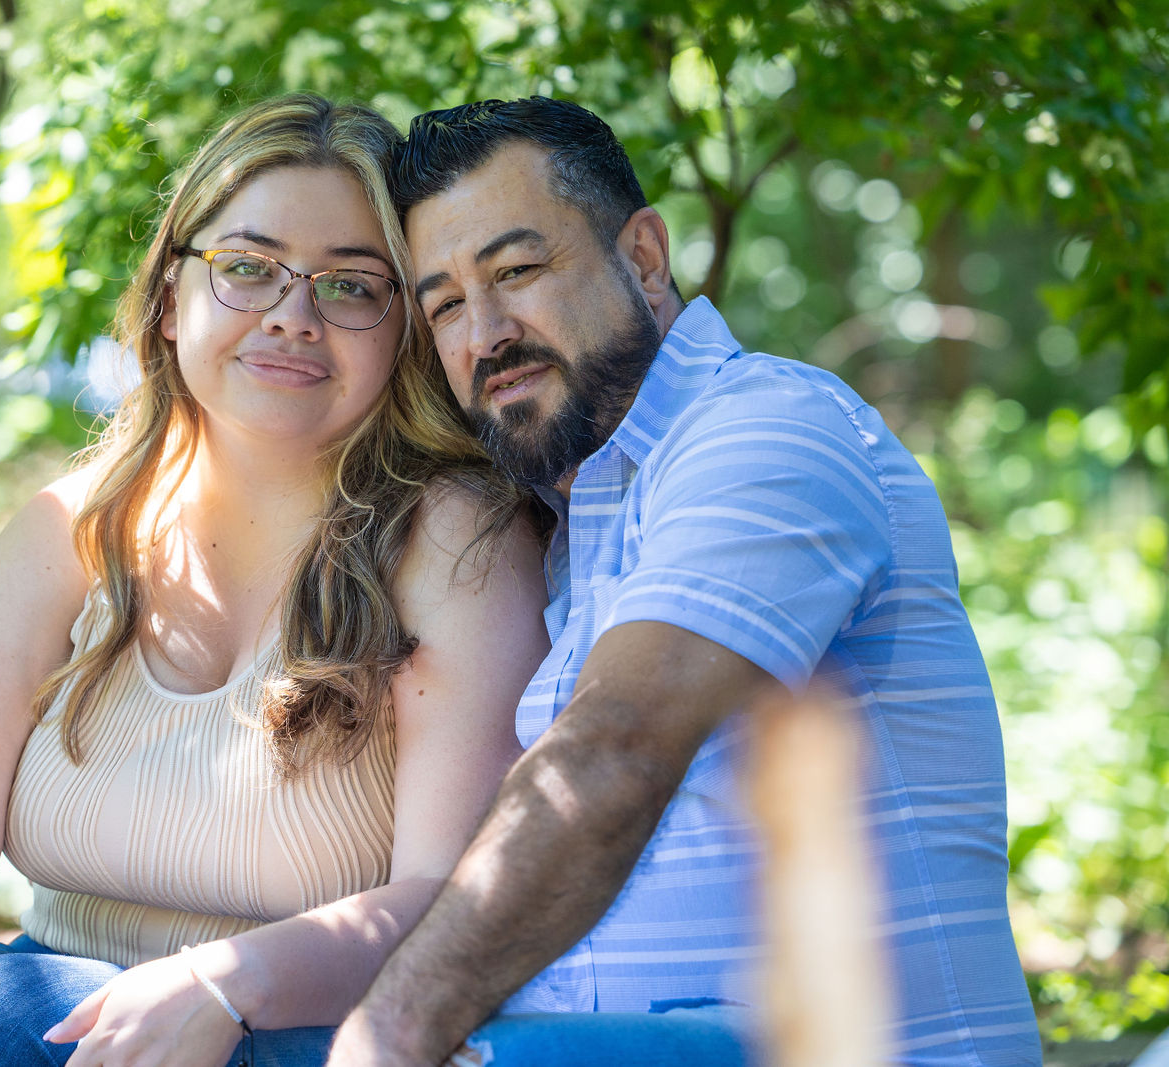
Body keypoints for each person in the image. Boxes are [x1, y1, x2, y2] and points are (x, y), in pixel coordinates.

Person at [0, 93, 551, 1067]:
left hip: (295, 1023)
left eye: (350, 285)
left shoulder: (451, 539)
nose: (292, 314)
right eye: (246, 268)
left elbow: (448, 899)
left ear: (402, 326)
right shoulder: (69, 530)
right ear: (169, 294)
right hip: (47, 1001)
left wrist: (222, 983)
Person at [325, 97, 1042, 1066]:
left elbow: (613, 754)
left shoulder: (767, 429)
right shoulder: (588, 520)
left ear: (646, 256)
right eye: (445, 303)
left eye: (517, 270)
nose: (484, 331)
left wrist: (392, 1029)